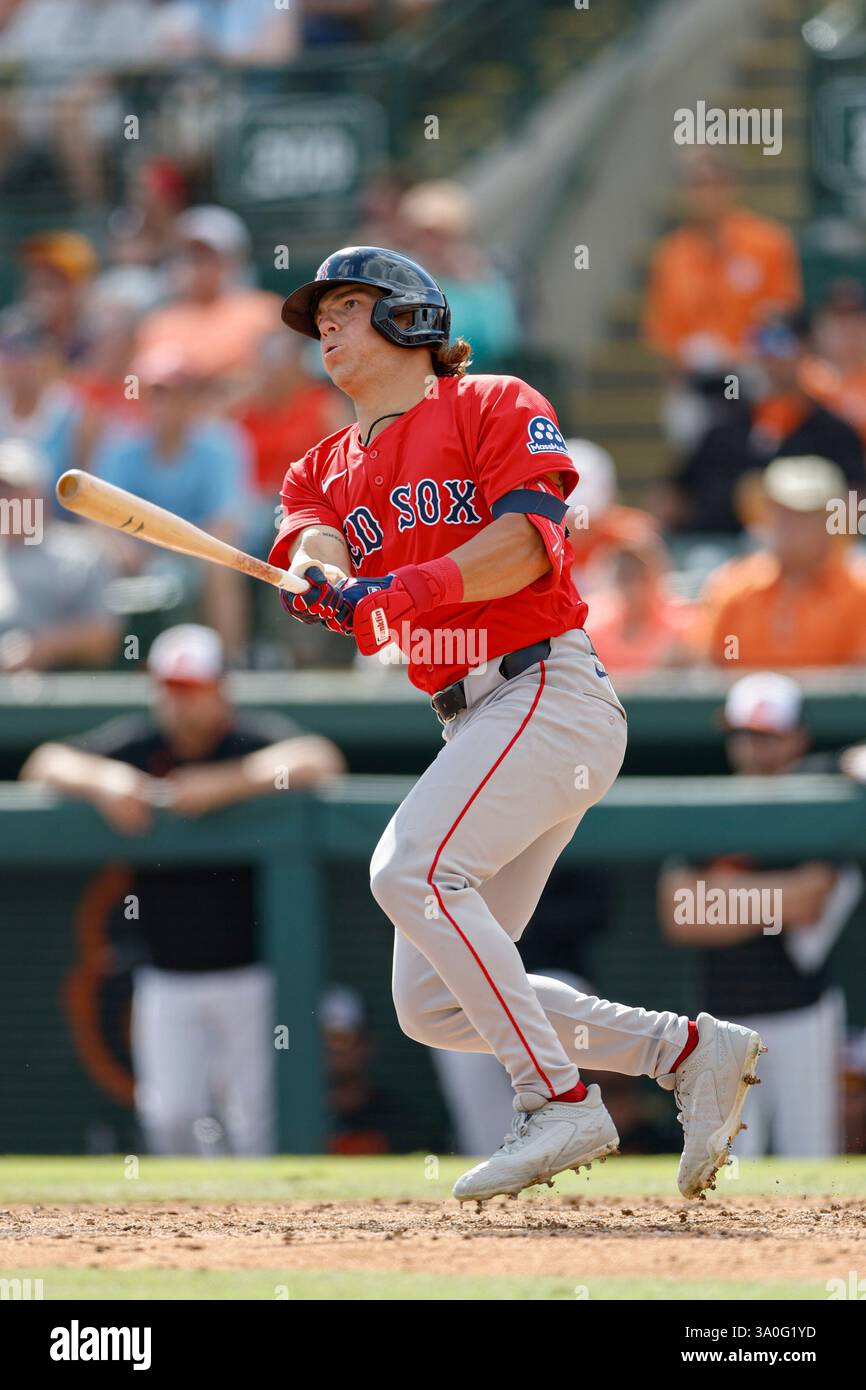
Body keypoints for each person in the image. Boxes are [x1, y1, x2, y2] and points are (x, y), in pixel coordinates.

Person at [267, 243, 766, 1202]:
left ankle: (558, 1100)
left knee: (408, 869)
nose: (325, 321)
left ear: (411, 317)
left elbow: (530, 547)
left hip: (547, 689)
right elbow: (315, 538)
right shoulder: (320, 466)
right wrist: (328, 582)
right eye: (317, 312)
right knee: (433, 1005)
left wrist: (399, 591)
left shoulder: (494, 402)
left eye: (347, 303)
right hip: (471, 720)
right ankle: (688, 1051)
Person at [20, 622, 346, 1155]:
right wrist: (106, 782)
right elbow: (45, 764)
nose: (180, 704)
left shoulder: (247, 739)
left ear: (221, 688)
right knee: (170, 1118)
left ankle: (263, 1234)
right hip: (166, 975)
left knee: (257, 1123)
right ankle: (186, 1234)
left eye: (192, 689)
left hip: (253, 973)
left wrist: (225, 784)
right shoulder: (139, 746)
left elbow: (320, 758)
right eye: (170, 689)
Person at [658, 673, 862, 1156]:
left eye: (766, 735)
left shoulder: (820, 796)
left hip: (802, 1009)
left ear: (797, 737)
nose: (751, 747)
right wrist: (774, 899)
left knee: (810, 1154)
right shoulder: (715, 809)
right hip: (723, 1012)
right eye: (743, 733)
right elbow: (680, 915)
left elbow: (808, 902)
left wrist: (723, 897)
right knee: (724, 1160)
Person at [92, 344, 253, 662]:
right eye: (155, 394)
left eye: (172, 393)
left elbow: (226, 520)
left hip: (200, 551)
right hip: (138, 553)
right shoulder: (121, 445)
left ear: (191, 399)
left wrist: (180, 548)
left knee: (222, 564)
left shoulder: (221, 443)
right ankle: (117, 666)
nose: (162, 404)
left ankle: (231, 663)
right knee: (91, 559)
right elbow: (96, 512)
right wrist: (123, 548)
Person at [661, 312, 865, 534]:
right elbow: (672, 497)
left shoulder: (834, 433)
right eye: (760, 341)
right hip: (717, 556)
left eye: (781, 340)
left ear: (807, 348)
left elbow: (856, 503)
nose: (770, 354)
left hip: (801, 558)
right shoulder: (724, 429)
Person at [699, 455, 866, 668]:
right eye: (779, 512)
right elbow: (711, 668)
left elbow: (856, 687)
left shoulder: (860, 594)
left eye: (804, 515)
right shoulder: (734, 588)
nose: (788, 526)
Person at [0, 438, 119, 671]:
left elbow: (104, 635)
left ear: (40, 494)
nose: (5, 497)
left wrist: (43, 648)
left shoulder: (80, 554)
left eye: (14, 489)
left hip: (56, 690)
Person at [135, 206, 281, 394]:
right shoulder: (158, 322)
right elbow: (146, 389)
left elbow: (271, 381)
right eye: (187, 255)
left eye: (205, 256)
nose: (194, 265)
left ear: (232, 259)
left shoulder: (263, 311)